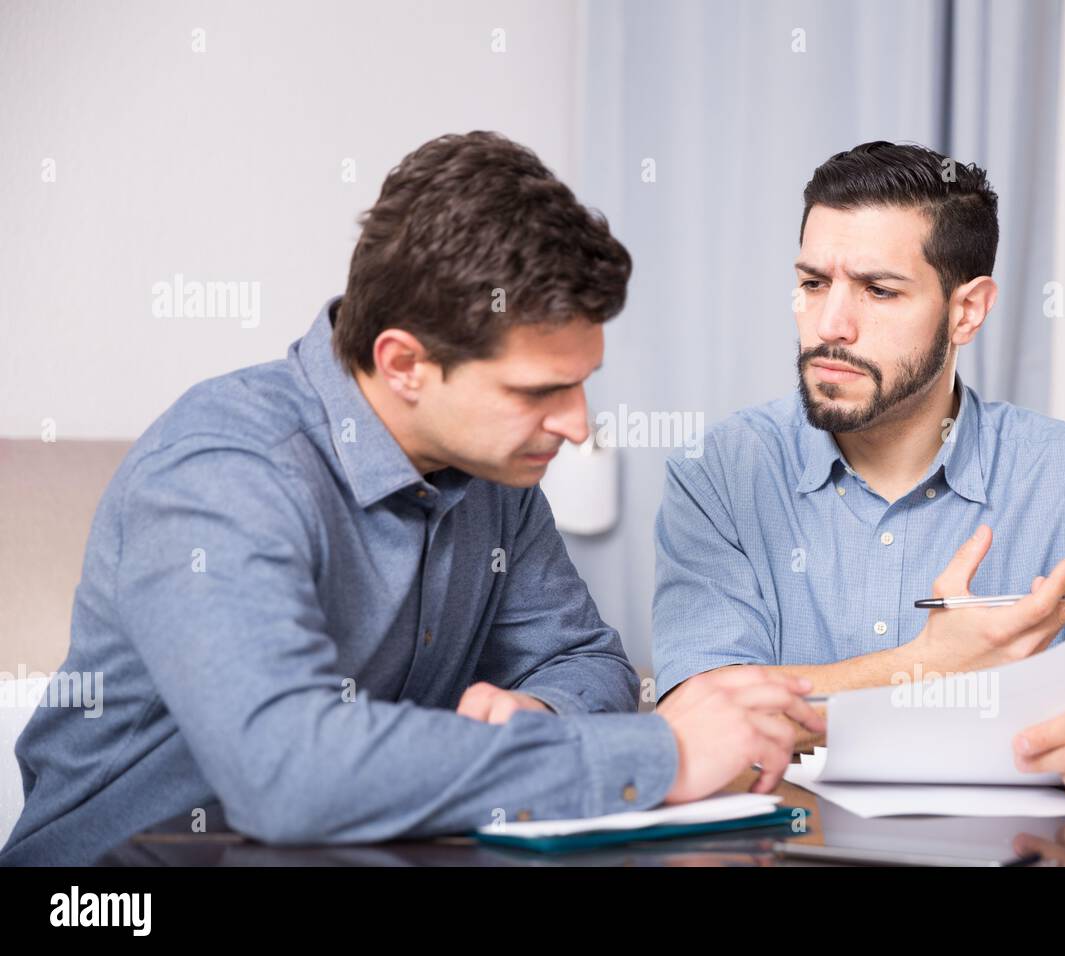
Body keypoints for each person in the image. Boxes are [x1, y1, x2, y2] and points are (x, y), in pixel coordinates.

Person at [1, 132, 823, 866]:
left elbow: (586, 662)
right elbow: (289, 775)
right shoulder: (222, 470)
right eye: (541, 390)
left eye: (582, 385)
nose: (577, 426)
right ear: (402, 364)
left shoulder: (492, 470)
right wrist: (660, 756)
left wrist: (529, 712)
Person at [652, 141, 1065, 809]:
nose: (830, 325)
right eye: (814, 283)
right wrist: (930, 666)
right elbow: (698, 721)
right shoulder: (721, 474)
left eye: (878, 289)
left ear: (968, 310)